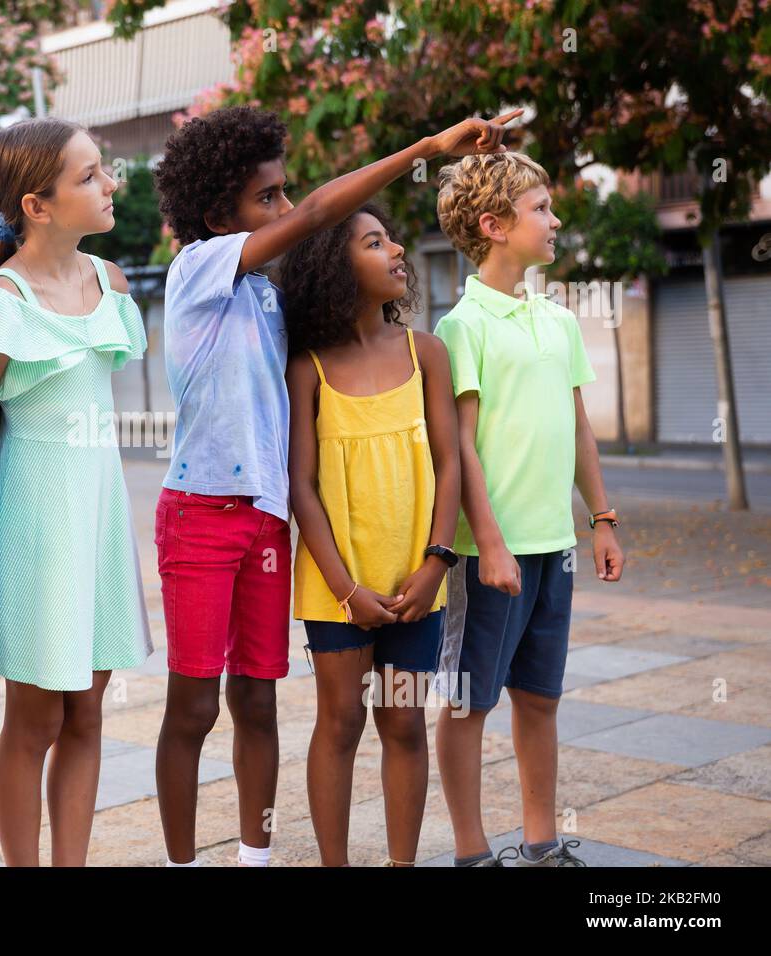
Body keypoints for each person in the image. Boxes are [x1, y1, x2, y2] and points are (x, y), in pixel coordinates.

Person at [150, 104, 519, 867]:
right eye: (270, 198)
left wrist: (437, 557)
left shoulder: (275, 304)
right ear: (220, 213)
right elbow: (324, 215)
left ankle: (257, 858)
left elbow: (332, 276)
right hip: (202, 515)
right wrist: (427, 144)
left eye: (287, 195)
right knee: (195, 704)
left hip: (265, 526)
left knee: (258, 700)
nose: (289, 208)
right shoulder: (198, 269)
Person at [0, 118, 152, 866]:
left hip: (99, 519)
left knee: (89, 715)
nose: (109, 184)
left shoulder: (112, 283)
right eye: (90, 174)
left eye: (103, 169)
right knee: (32, 721)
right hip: (35, 521)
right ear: (38, 204)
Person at [432, 152, 625, 867]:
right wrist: (490, 542)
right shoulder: (462, 327)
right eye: (541, 208)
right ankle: (471, 851)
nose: (555, 219)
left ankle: (542, 843)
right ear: (494, 224)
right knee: (466, 701)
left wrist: (601, 520)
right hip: (489, 555)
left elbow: (579, 431)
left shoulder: (558, 321)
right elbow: (464, 448)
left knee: (539, 698)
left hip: (556, 545)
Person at [280, 202, 460, 867]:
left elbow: (450, 464)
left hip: (418, 579)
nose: (397, 251)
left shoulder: (428, 353)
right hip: (338, 589)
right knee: (342, 721)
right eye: (375, 242)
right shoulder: (309, 367)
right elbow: (301, 485)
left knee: (404, 720)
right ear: (334, 266)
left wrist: (438, 563)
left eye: (393, 238)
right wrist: (346, 588)